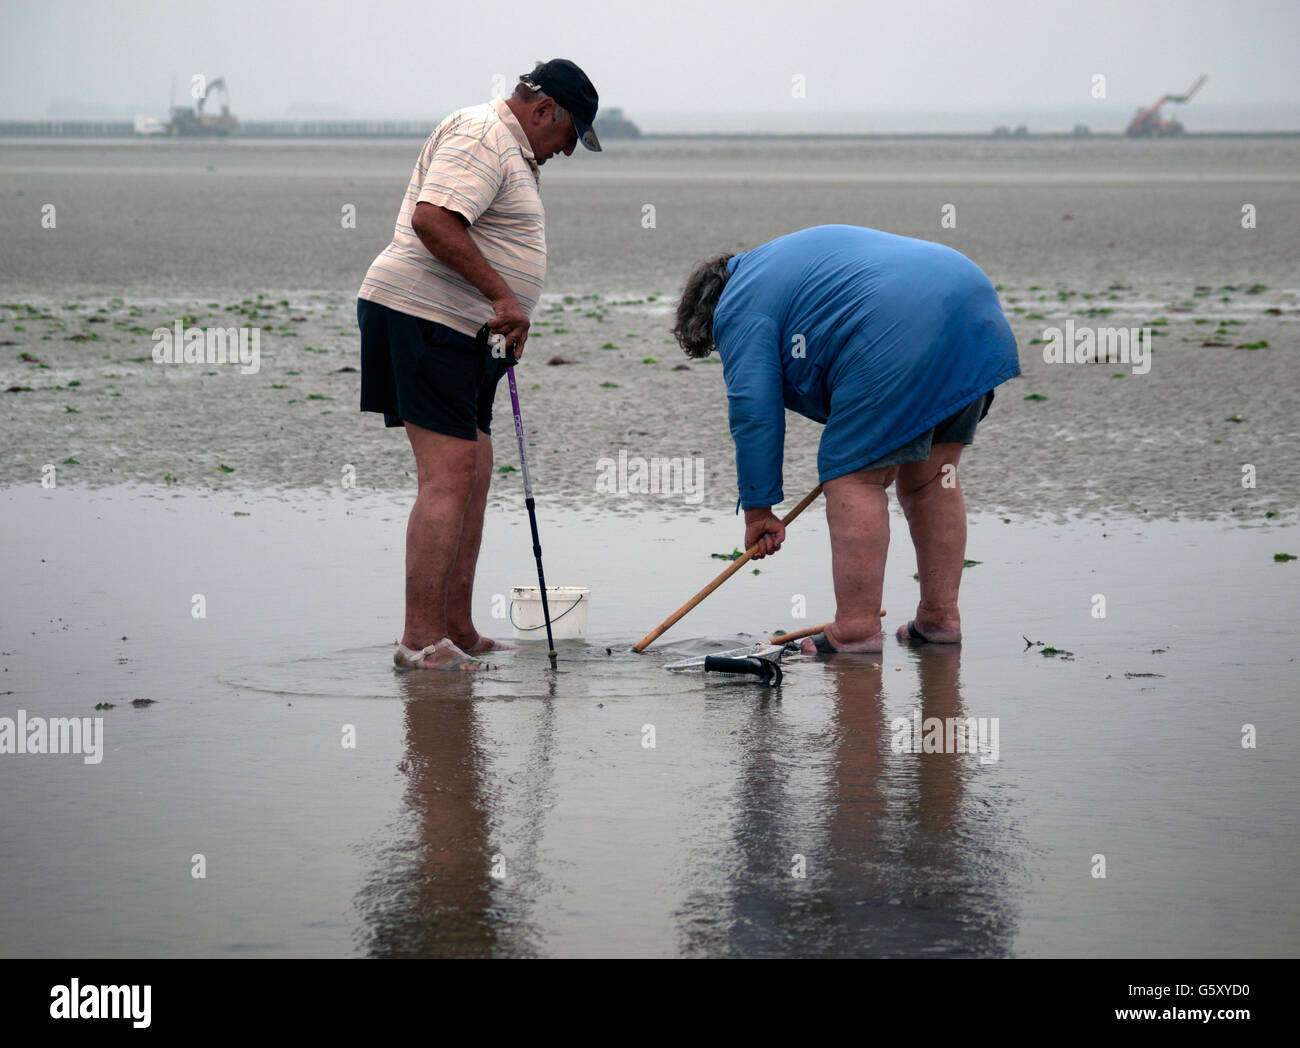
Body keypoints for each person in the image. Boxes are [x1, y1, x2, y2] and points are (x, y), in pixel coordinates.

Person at [357, 59, 602, 670]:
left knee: (476, 469)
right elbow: (433, 219)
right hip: (426, 316)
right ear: (544, 110)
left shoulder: (514, 150)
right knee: (450, 473)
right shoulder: (483, 134)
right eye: (569, 137)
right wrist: (502, 296)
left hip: (468, 330)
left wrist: (503, 310)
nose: (567, 153)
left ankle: (457, 627)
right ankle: (419, 641)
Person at [672, 224, 1020, 653]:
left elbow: (753, 410)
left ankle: (856, 629)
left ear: (709, 314)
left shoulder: (740, 304)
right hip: (972, 305)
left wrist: (759, 510)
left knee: (852, 478)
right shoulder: (780, 264)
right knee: (934, 479)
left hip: (897, 323)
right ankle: (939, 620)